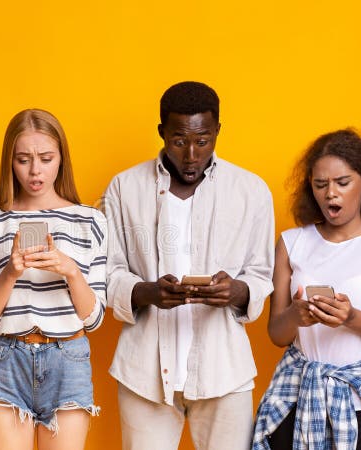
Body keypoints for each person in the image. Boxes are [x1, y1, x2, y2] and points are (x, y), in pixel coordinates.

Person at [102, 81, 274, 450]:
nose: (192, 155)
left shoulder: (251, 191)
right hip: (143, 374)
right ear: (162, 132)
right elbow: (108, 271)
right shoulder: (124, 188)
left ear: (217, 132)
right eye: (179, 141)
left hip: (224, 371)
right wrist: (146, 292)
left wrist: (236, 291)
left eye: (204, 140)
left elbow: (260, 274)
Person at [252, 129, 361, 449]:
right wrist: (297, 316)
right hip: (297, 397)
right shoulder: (291, 243)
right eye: (320, 184)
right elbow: (277, 334)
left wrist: (350, 317)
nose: (331, 194)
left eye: (343, 183)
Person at [0, 109, 107, 450]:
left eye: (46, 158)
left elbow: (95, 318)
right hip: (6, 357)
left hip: (68, 357)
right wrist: (10, 273)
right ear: (9, 162)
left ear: (62, 158)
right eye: (23, 159)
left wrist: (70, 270)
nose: (35, 171)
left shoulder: (89, 220)